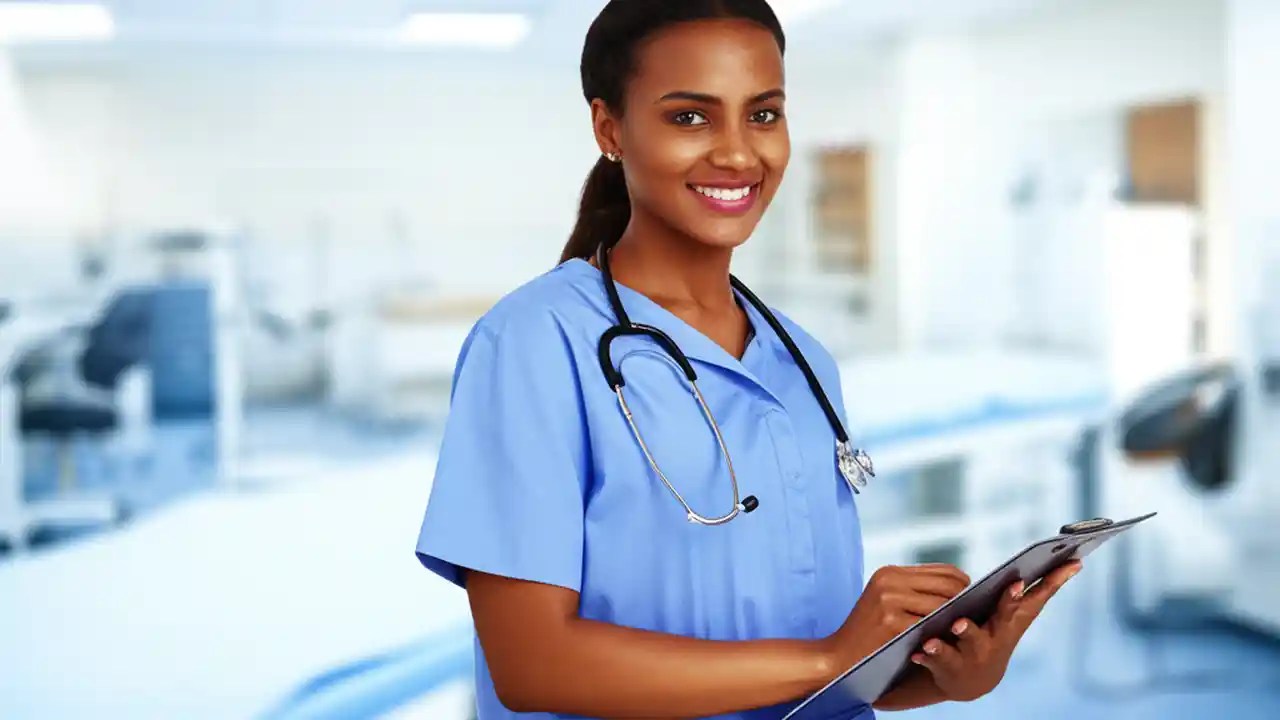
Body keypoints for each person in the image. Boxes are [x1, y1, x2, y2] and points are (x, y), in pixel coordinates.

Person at [413, 1, 1081, 718]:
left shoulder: (804, 362)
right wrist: (829, 656)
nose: (737, 153)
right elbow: (532, 663)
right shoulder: (535, 344)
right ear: (610, 128)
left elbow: (824, 674)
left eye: (763, 114)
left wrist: (952, 675)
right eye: (690, 117)